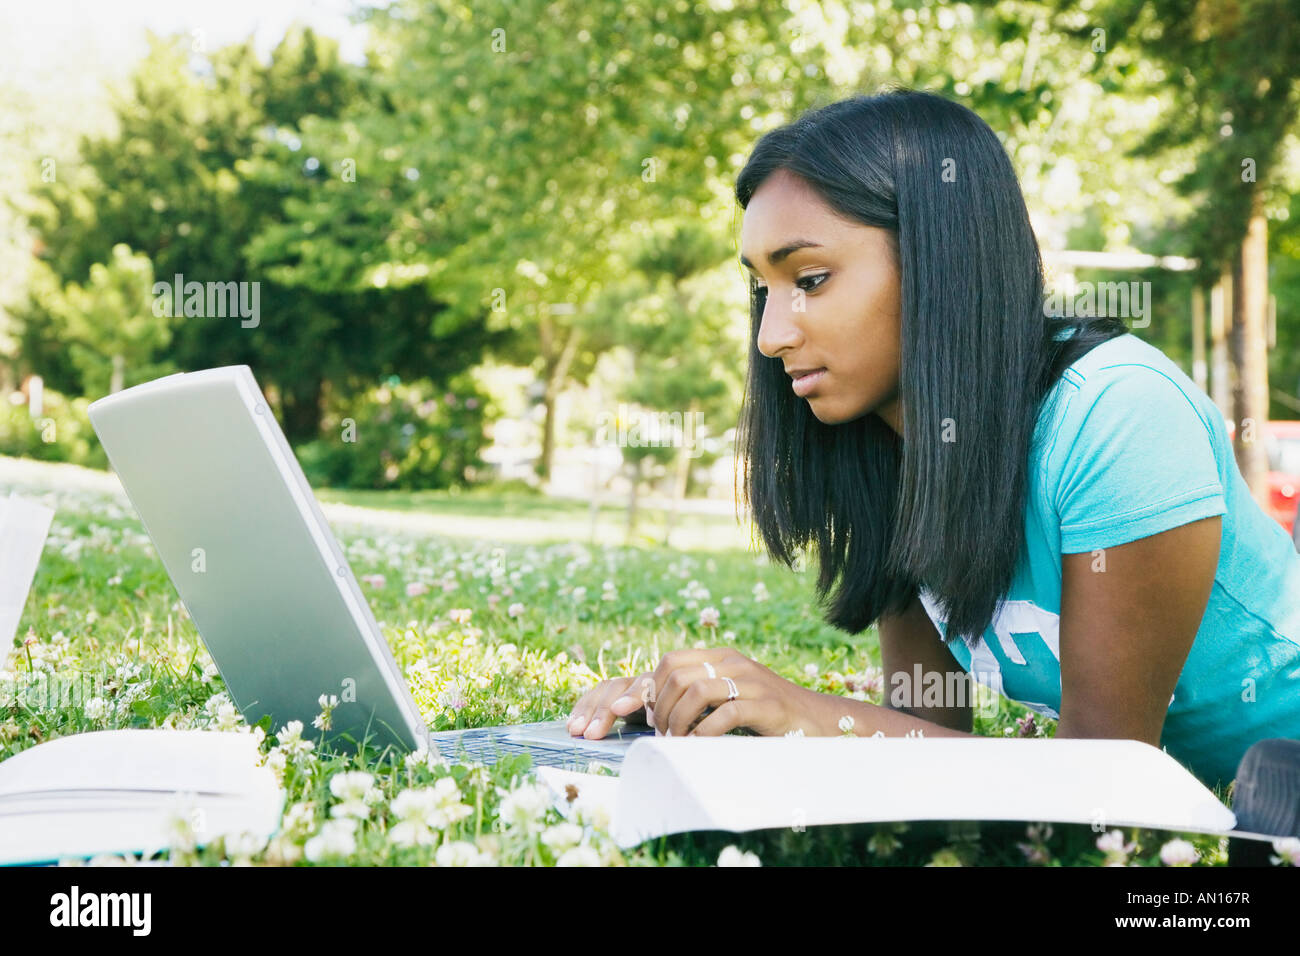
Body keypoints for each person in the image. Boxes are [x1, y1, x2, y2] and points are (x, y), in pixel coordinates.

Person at [566, 88, 1300, 794]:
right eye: (764, 288)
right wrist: (731, 719)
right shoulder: (886, 443)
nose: (771, 335)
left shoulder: (1118, 416)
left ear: (939, 259)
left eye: (811, 278)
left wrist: (813, 714)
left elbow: (1107, 784)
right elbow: (923, 737)